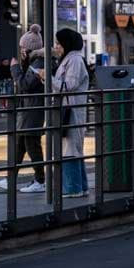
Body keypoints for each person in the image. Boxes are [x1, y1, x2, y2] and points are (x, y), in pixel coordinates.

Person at [0, 25, 46, 194]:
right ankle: (12, 178)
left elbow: (25, 85)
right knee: (21, 144)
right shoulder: (33, 62)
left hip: (33, 109)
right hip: (29, 108)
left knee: (31, 143)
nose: (21, 50)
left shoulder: (38, 63)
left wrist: (15, 69)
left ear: (30, 48)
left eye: (23, 47)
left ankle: (40, 180)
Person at [44, 27, 90, 196]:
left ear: (66, 43)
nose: (56, 46)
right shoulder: (70, 59)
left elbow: (68, 86)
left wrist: (47, 78)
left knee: (70, 149)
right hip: (69, 109)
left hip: (72, 110)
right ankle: (81, 186)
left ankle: (73, 188)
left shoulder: (75, 61)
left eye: (58, 43)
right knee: (73, 148)